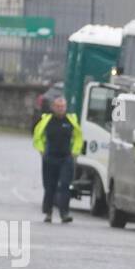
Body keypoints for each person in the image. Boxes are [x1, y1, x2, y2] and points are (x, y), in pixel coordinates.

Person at [32, 95, 83, 223]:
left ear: (66, 108)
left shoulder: (71, 121)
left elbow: (78, 137)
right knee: (50, 186)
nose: (60, 109)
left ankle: (64, 213)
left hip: (66, 158)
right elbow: (37, 136)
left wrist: (75, 152)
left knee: (65, 185)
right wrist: (41, 151)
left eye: (63, 107)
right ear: (53, 107)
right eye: (58, 106)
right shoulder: (46, 120)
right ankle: (48, 212)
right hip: (50, 157)